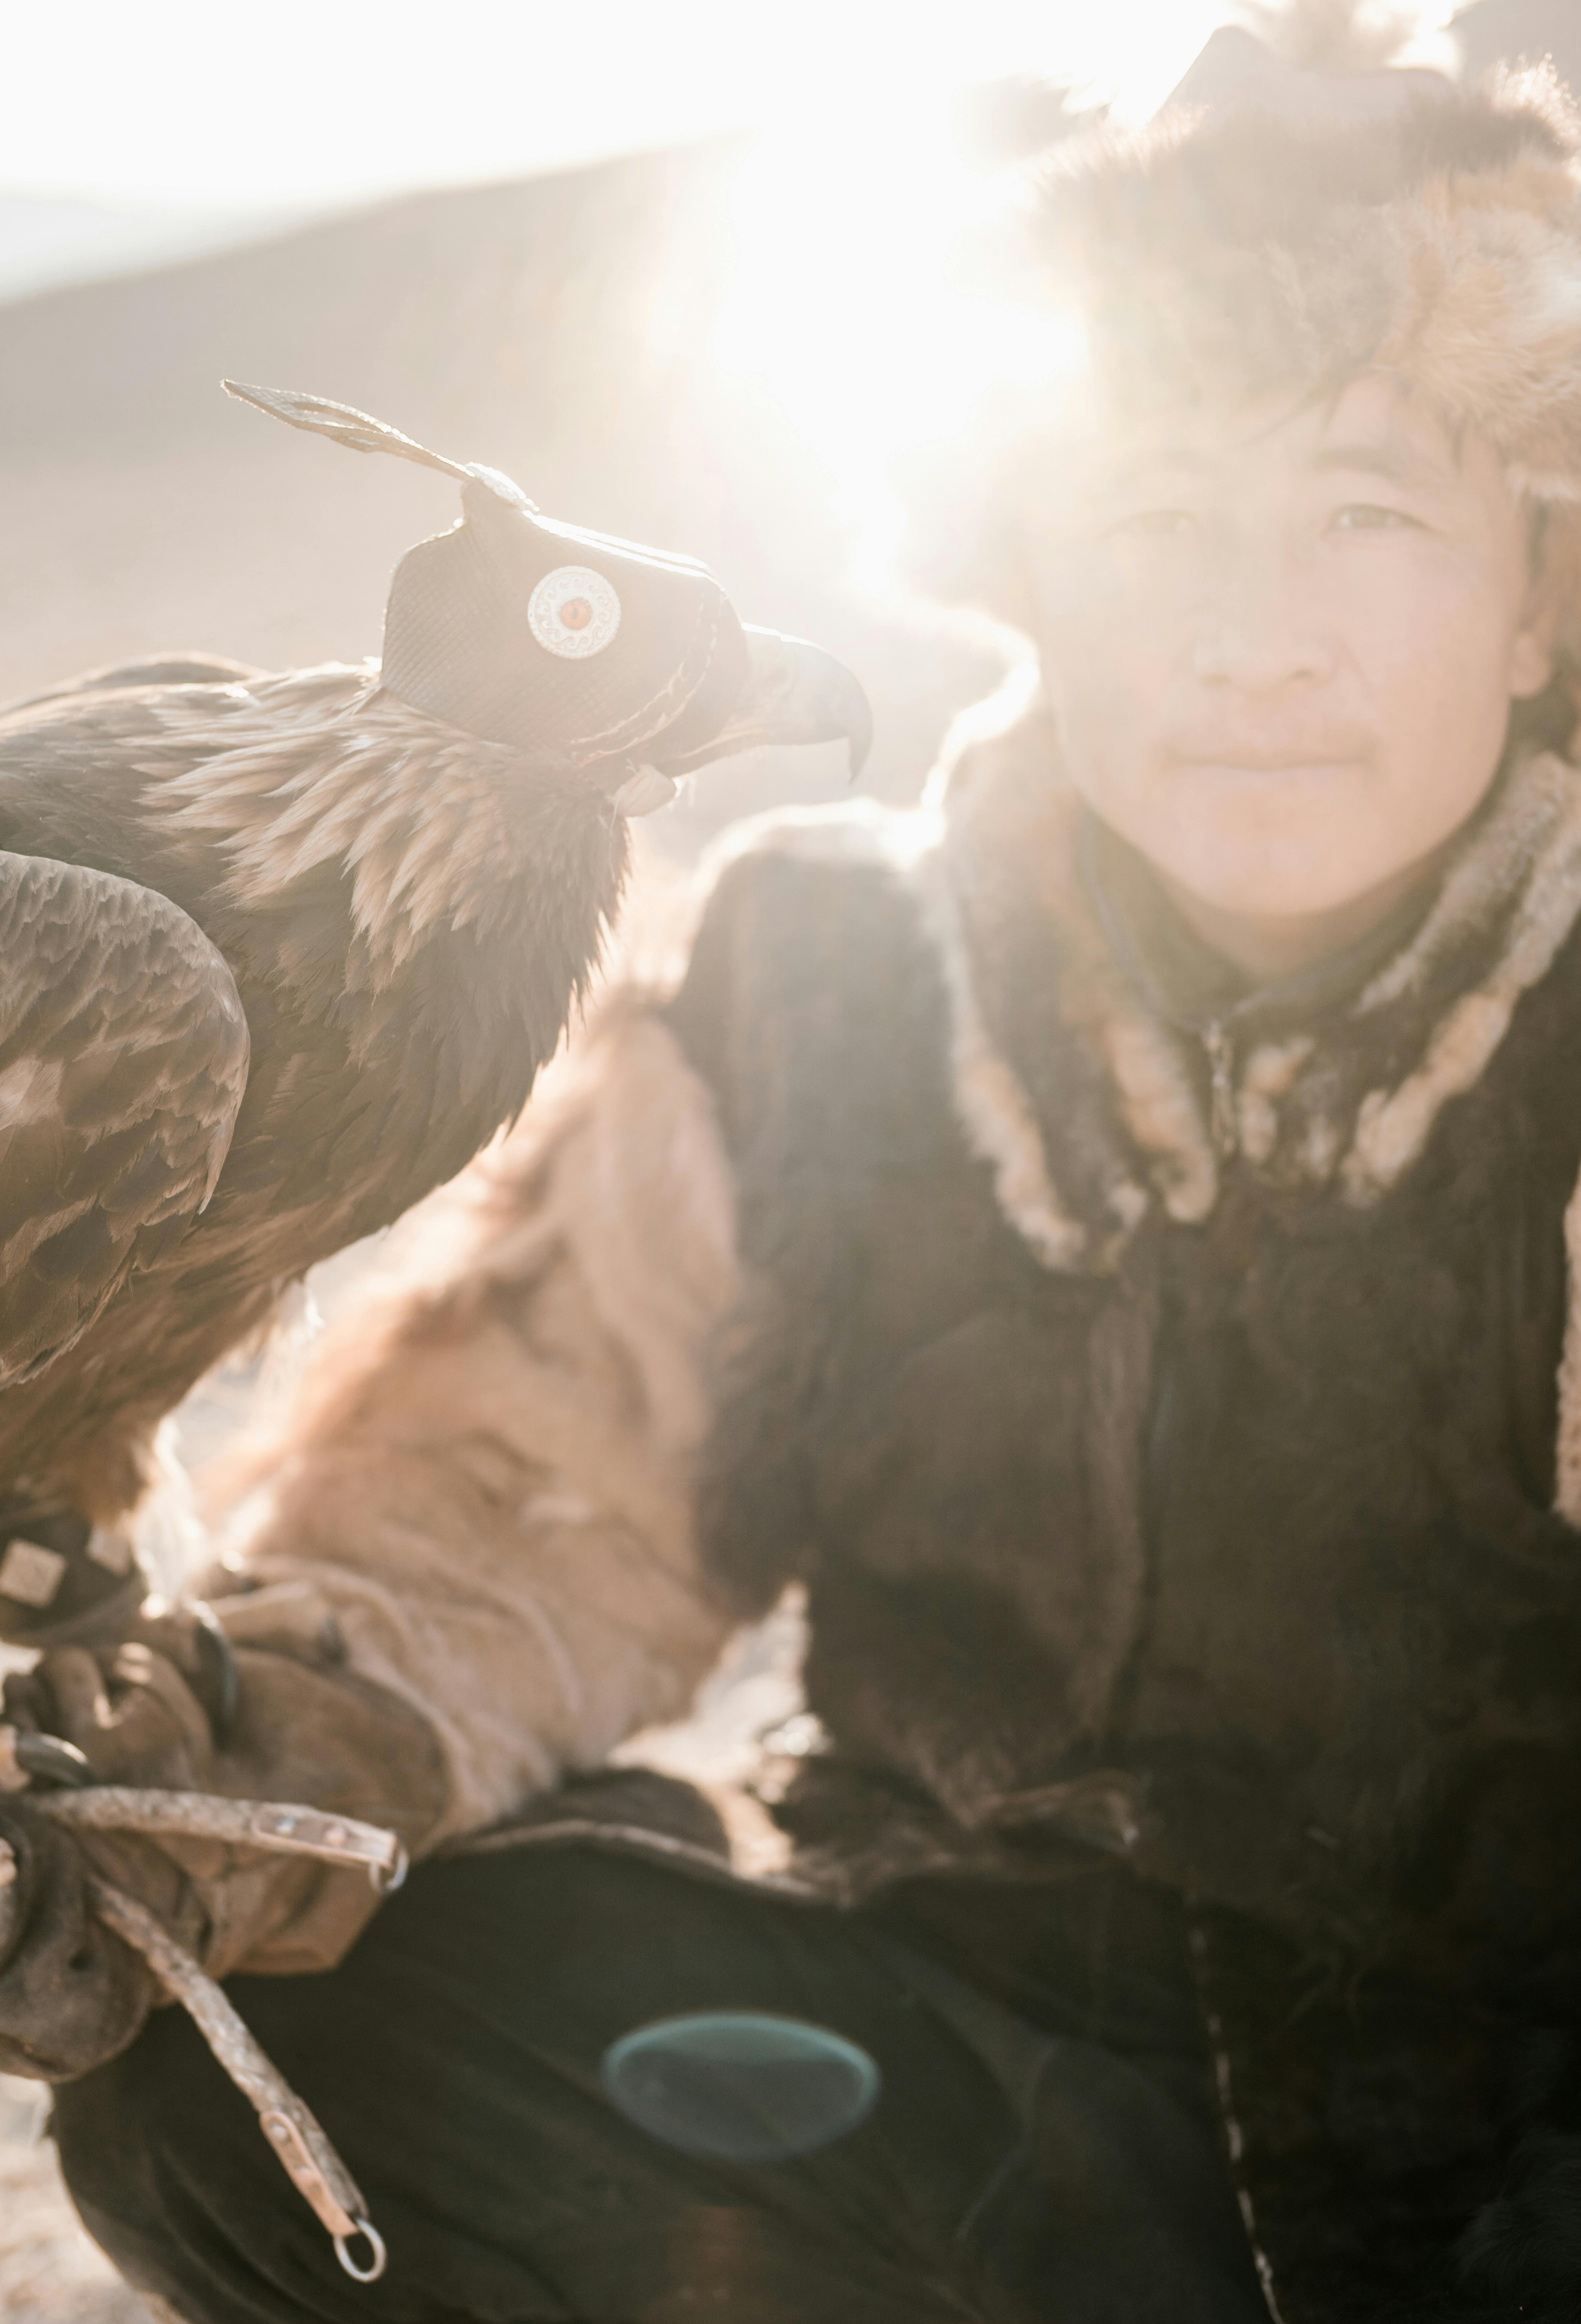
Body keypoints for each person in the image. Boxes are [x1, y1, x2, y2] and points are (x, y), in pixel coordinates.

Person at [8, 20, 1581, 2324]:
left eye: (1368, 509)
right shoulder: (826, 973)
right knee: (258, 2068)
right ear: (1030, 570)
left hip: (1521, 2118)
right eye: (1157, 514)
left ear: (1540, 588)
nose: (1258, 631)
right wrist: (227, 1762)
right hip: (974, 2085)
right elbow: (512, 1524)